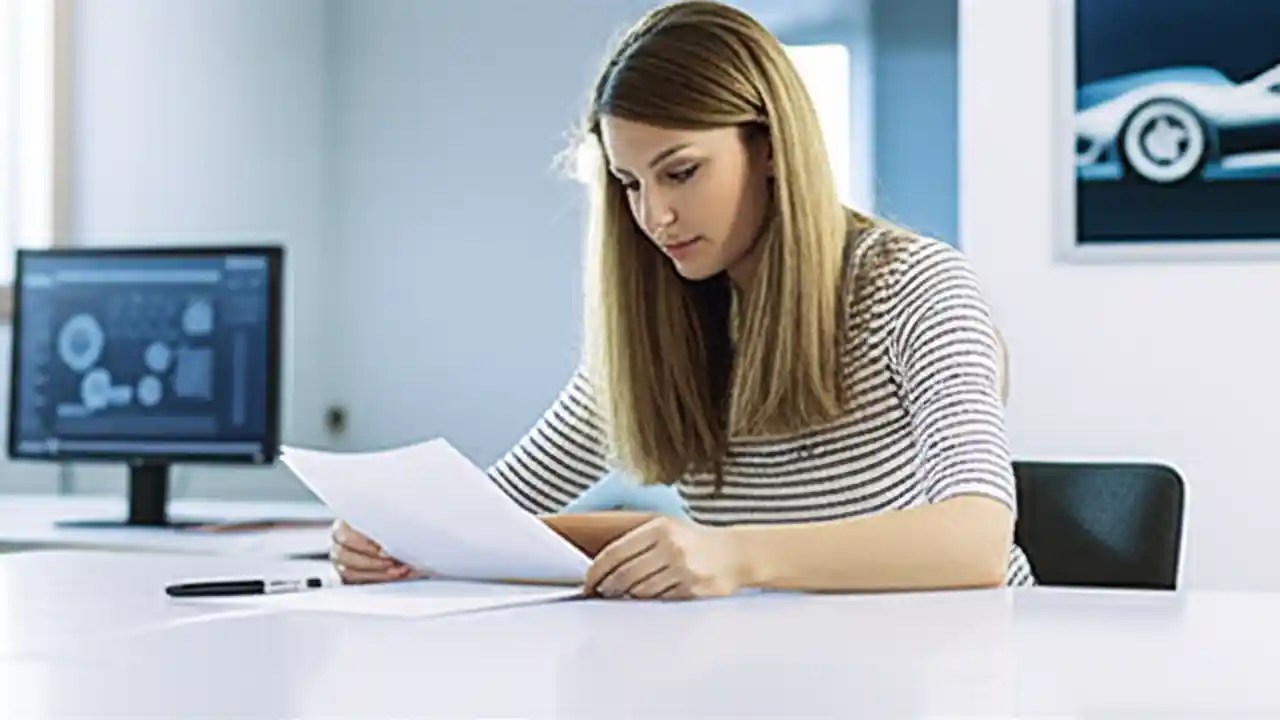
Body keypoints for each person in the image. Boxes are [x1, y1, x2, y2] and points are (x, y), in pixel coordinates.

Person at [329, 0, 1036, 598]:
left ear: (769, 149)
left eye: (681, 172)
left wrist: (735, 554)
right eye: (631, 184)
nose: (655, 217)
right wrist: (411, 537)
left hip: (958, 663)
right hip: (783, 665)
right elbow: (499, 511)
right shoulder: (664, 318)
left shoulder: (914, 287)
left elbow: (973, 536)